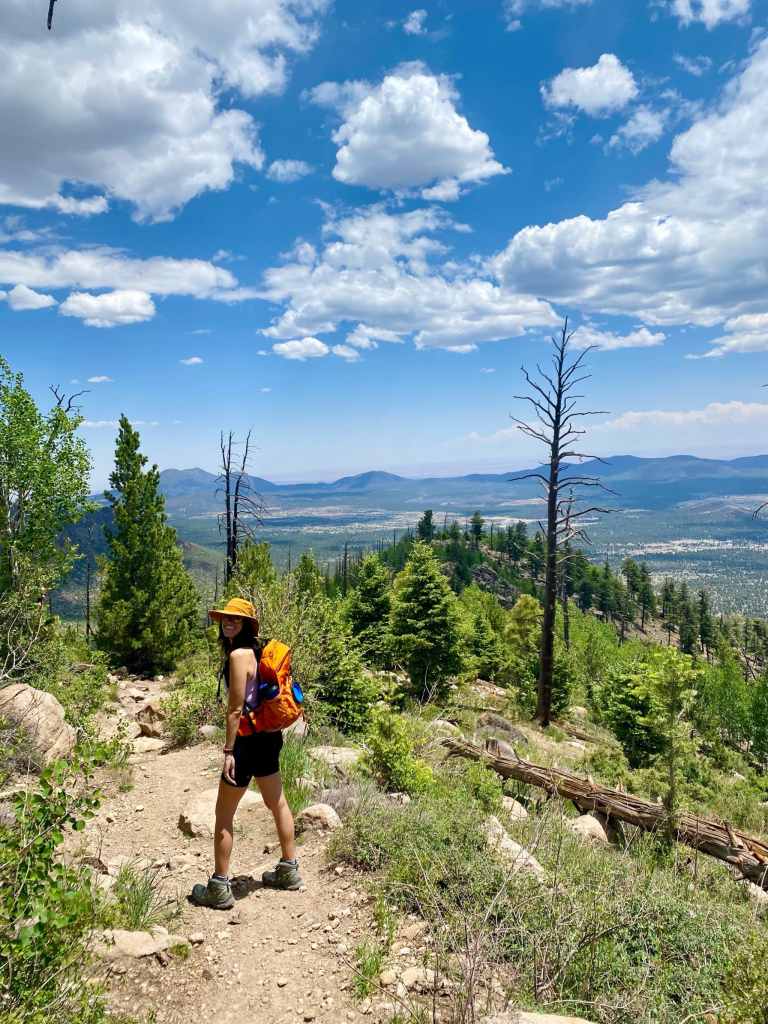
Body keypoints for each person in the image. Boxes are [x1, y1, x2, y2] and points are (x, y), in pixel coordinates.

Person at [191, 597, 302, 909]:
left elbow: (235, 709)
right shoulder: (256, 651)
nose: (228, 623)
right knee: (277, 802)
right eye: (226, 619)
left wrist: (229, 750)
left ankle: (219, 887)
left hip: (246, 742)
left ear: (246, 625)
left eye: (235, 620)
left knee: (223, 814)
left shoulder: (239, 655)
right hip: (268, 737)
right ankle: (289, 870)